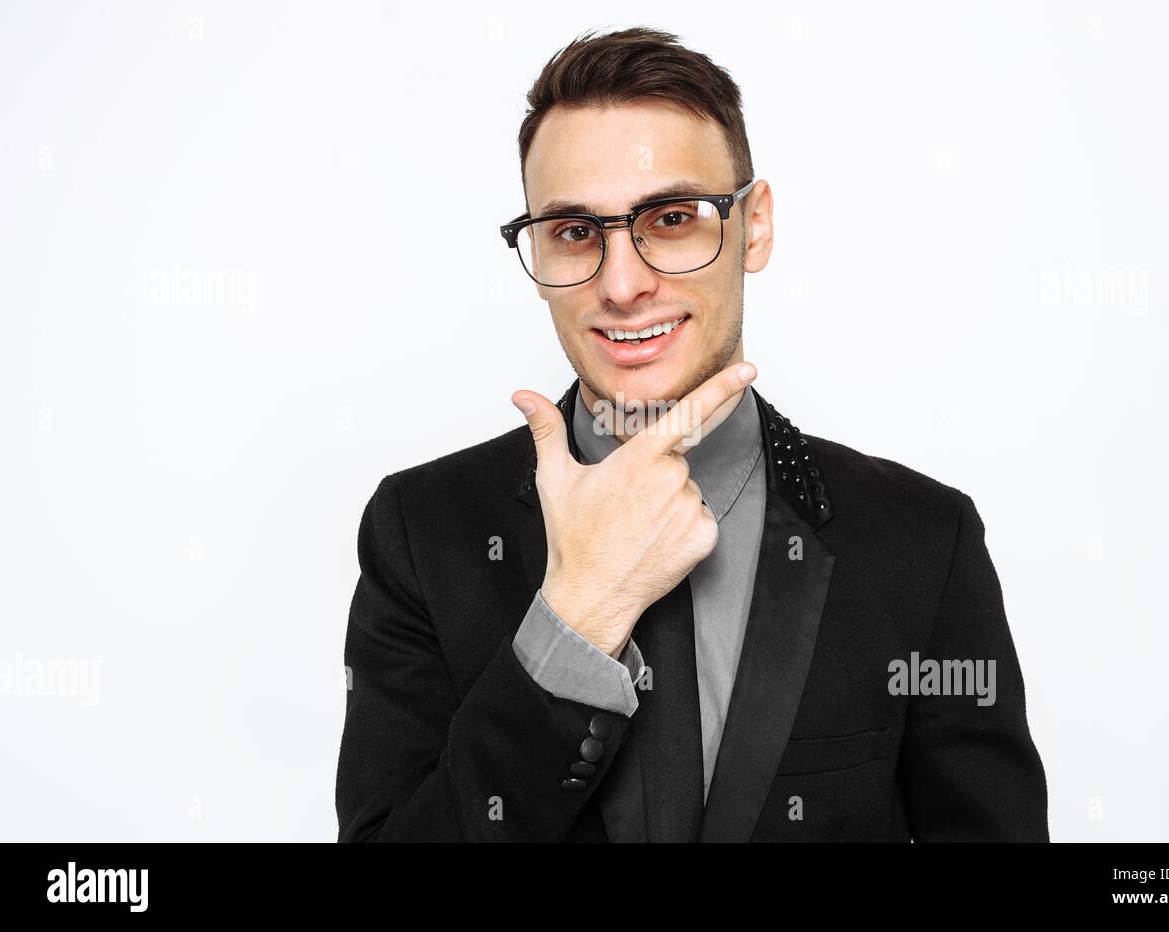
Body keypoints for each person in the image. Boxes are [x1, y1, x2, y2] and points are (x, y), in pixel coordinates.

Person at [335, 26, 1048, 842]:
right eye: (574, 232)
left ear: (756, 227)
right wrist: (577, 617)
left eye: (672, 218)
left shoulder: (923, 542)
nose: (623, 283)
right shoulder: (423, 532)